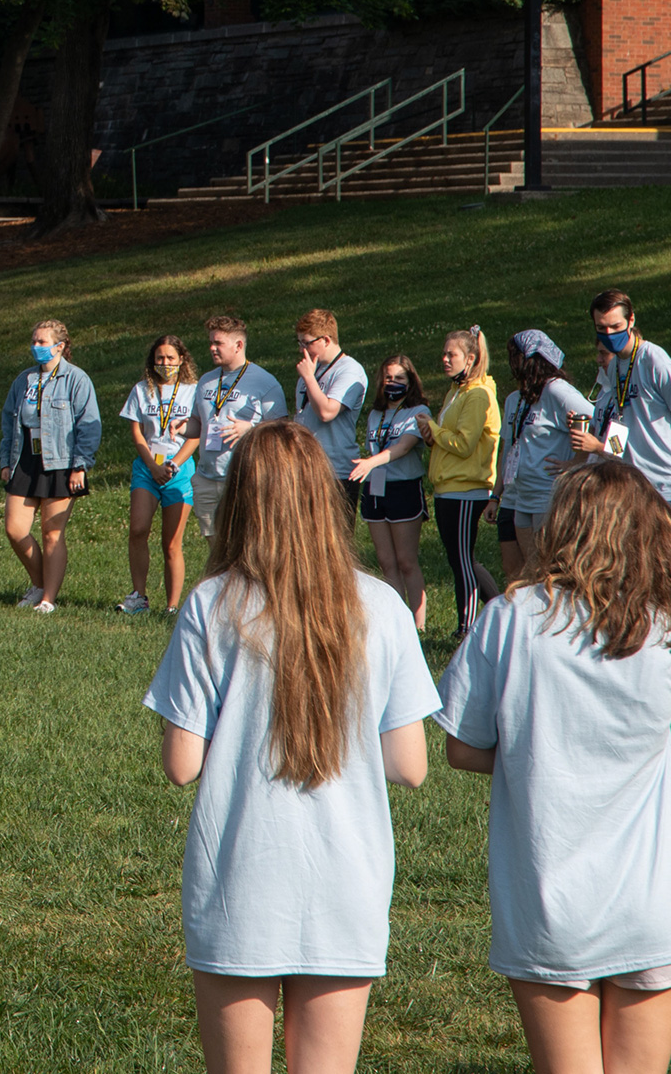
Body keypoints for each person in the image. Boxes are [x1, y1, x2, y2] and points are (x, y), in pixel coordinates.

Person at [143, 419, 440, 1074]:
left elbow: (180, 764)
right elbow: (410, 767)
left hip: (240, 876)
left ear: (241, 503)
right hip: (347, 880)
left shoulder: (212, 604)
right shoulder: (384, 606)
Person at [436, 462, 671, 1074]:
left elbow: (461, 745)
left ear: (562, 526)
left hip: (550, 896)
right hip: (655, 899)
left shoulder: (515, 618)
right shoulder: (665, 629)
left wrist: (532, 753)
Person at [0, 320, 101, 614]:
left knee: (51, 533)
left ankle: (48, 599)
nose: (36, 347)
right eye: (34, 341)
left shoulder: (77, 380)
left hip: (62, 463)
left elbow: (89, 426)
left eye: (42, 342)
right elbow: (9, 421)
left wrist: (80, 466)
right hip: (25, 460)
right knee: (14, 528)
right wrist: (6, 460)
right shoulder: (24, 380)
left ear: (60, 346)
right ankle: (38, 583)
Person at [185, 315, 290, 550]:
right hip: (206, 478)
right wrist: (180, 427)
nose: (212, 348)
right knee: (216, 550)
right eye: (211, 342)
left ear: (238, 345)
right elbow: (197, 423)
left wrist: (250, 429)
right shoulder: (206, 381)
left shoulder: (264, 382)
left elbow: (282, 431)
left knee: (246, 547)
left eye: (218, 343)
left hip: (243, 478)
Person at [426, 327, 501, 639]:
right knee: (462, 559)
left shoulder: (478, 395)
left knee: (462, 561)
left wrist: (433, 429)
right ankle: (499, 611)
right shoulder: (456, 392)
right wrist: (433, 436)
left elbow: (465, 444)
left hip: (466, 490)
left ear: (470, 359)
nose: (445, 359)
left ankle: (467, 628)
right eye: (444, 354)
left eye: (451, 355)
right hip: (448, 488)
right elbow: (448, 440)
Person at [495, 330, 587, 584]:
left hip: (548, 496)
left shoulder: (558, 392)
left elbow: (596, 419)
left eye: (514, 357)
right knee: (532, 574)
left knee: (553, 574)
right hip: (522, 498)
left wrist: (578, 460)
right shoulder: (520, 397)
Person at [348, 356, 433, 628]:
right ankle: (399, 621)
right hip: (375, 488)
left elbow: (406, 446)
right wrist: (370, 465)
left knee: (406, 561)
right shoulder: (376, 414)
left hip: (404, 488)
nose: (393, 383)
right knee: (386, 562)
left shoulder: (418, 411)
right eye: (388, 378)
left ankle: (418, 625)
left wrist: (371, 462)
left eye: (399, 378)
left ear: (410, 382)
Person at [120, 335, 199, 615]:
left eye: (170, 358)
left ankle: (172, 606)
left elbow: (196, 435)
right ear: (152, 361)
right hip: (147, 467)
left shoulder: (194, 391)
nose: (164, 363)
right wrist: (153, 467)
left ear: (182, 360)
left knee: (171, 542)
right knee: (138, 529)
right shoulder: (142, 390)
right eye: (159, 358)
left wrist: (174, 465)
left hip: (179, 470)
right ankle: (138, 596)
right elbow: (137, 431)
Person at [573, 289, 671, 500]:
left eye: (615, 326)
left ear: (631, 320)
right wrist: (602, 448)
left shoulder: (653, 359)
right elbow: (621, 426)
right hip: (632, 487)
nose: (609, 334)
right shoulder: (615, 365)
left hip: (664, 486)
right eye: (601, 328)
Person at [292, 309, 369, 514]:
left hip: (335, 473)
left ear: (326, 339)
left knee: (335, 543)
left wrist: (309, 378)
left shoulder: (349, 370)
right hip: (306, 470)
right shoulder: (310, 371)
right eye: (299, 343)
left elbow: (327, 412)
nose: (302, 350)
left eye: (307, 343)